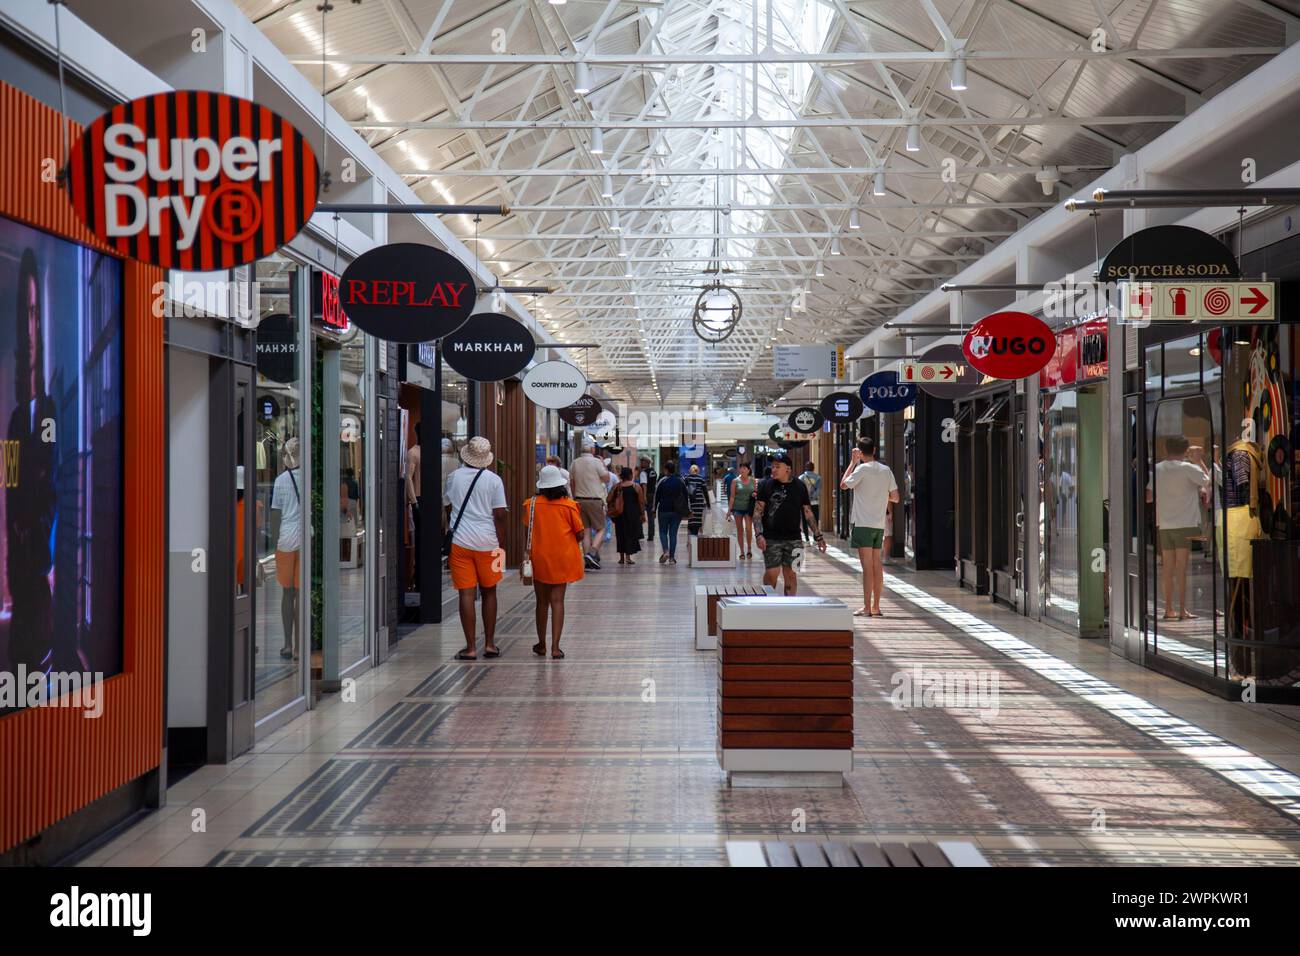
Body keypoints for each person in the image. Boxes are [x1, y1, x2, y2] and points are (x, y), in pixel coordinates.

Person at [6, 248, 57, 671]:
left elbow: (49, 475)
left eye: (35, 312)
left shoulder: (50, 409)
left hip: (43, 557)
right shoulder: (15, 418)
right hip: (22, 562)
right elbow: (9, 480)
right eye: (23, 313)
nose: (28, 327)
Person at [443, 436, 509, 660]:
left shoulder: (454, 477)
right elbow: (500, 515)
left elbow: (448, 506)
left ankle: (470, 647)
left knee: (466, 594)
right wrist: (501, 544)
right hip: (488, 543)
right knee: (490, 592)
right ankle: (489, 644)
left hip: (460, 542)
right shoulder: (494, 480)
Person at [522, 465, 584, 660]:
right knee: (558, 601)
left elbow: (528, 532)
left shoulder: (531, 505)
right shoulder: (569, 505)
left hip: (539, 557)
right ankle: (556, 647)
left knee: (541, 602)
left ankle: (541, 644)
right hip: (562, 557)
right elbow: (580, 533)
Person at [1146, 435, 1210, 621]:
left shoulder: (1157, 469)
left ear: (1166, 449)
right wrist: (1197, 461)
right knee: (1182, 568)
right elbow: (1207, 481)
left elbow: (1148, 497)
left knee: (1167, 568)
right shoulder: (1189, 468)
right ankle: (1182, 610)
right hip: (1186, 524)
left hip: (1164, 524)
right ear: (1185, 450)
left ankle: (1168, 609)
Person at [841, 438, 900, 617]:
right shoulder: (886, 470)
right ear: (874, 450)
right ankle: (876, 606)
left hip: (862, 524)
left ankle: (867, 607)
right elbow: (896, 498)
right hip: (878, 524)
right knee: (877, 565)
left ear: (859, 452)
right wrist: (880, 496)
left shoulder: (861, 469)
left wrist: (852, 462)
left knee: (867, 567)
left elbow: (843, 485)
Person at [755, 452, 825, 595]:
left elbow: (807, 512)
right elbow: (757, 512)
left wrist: (818, 536)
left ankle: (789, 606)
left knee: (791, 575)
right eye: (772, 467)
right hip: (771, 538)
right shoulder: (766, 485)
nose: (773, 469)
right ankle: (767, 604)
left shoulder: (800, 486)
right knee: (772, 573)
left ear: (787, 468)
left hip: (795, 540)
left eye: (777, 467)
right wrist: (758, 534)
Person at [271, 437, 303, 659]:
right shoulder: (309, 478)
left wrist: (274, 543)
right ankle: (301, 646)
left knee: (287, 593)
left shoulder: (281, 480)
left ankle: (287, 644)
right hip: (304, 539)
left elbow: (275, 515)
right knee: (301, 593)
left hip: (285, 541)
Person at [570, 439, 610, 569]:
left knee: (586, 531)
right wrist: (603, 465)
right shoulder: (596, 462)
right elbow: (607, 479)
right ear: (592, 450)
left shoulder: (574, 463)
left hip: (579, 500)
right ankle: (592, 554)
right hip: (594, 500)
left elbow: (572, 482)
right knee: (601, 529)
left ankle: (588, 561)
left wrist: (575, 496)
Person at [655, 461, 689, 564]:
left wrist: (653, 509)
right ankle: (671, 558)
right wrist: (687, 510)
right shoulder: (680, 481)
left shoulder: (662, 481)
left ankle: (665, 551)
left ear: (666, 469)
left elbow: (656, 496)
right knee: (673, 534)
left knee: (662, 532)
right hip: (676, 512)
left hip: (663, 511)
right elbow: (686, 496)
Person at [610, 466, 645, 564]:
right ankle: (628, 557)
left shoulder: (617, 486)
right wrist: (642, 514)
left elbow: (609, 498)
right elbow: (641, 502)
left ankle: (621, 558)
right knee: (630, 534)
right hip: (632, 515)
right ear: (630, 475)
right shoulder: (636, 486)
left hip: (619, 514)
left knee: (620, 534)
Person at [728, 462, 757, 559]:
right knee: (740, 530)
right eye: (741, 468)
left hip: (749, 508)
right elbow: (732, 496)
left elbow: (756, 492)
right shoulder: (735, 481)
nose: (742, 469)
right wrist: (729, 510)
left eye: (744, 468)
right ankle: (741, 551)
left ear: (748, 470)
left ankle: (749, 549)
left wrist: (754, 494)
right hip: (738, 508)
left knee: (748, 529)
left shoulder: (753, 481)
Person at [684, 463, 711, 537]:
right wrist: (708, 504)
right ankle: (694, 538)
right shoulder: (701, 479)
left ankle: (690, 539)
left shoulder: (687, 478)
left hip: (690, 502)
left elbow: (683, 490)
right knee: (697, 520)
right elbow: (705, 492)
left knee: (691, 519)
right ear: (697, 470)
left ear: (690, 470)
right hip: (699, 502)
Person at [800, 462, 822, 543]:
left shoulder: (801, 477)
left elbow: (800, 490)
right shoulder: (818, 478)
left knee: (805, 520)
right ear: (813, 468)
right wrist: (812, 496)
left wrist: (805, 498)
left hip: (804, 503)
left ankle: (806, 537)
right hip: (814, 502)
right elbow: (818, 490)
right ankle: (815, 537)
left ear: (806, 468)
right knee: (815, 519)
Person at [638, 455, 658, 543]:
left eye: (643, 461)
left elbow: (644, 485)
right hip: (653, 495)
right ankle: (651, 535)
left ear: (647, 462)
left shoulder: (643, 473)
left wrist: (644, 496)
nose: (641, 463)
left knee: (640, 513)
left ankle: (640, 534)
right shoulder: (654, 472)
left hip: (645, 495)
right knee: (651, 516)